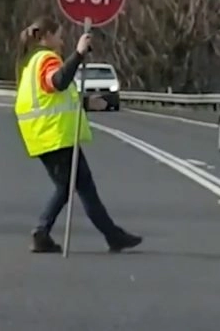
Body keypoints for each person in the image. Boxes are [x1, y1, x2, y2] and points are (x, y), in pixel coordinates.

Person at [14, 16, 142, 253]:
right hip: (55, 135)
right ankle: (43, 232)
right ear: (46, 37)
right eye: (59, 36)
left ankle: (110, 235)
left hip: (46, 134)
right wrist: (79, 54)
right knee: (75, 187)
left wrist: (85, 102)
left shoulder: (31, 63)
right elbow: (58, 82)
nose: (62, 42)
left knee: (74, 187)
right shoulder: (46, 59)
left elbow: (53, 97)